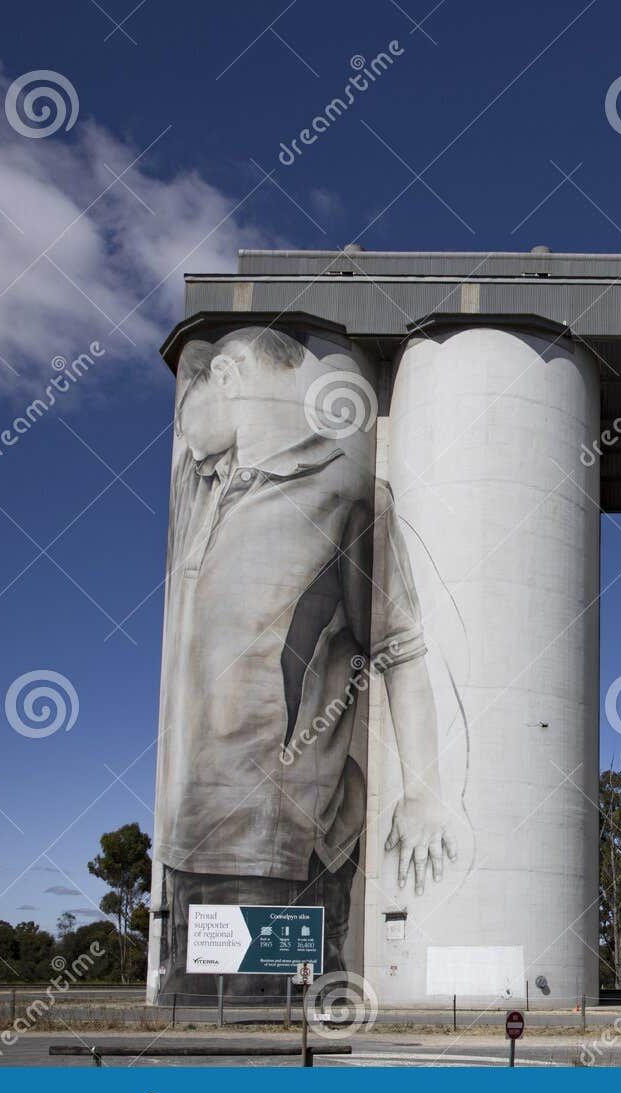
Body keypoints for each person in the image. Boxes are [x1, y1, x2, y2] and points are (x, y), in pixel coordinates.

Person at [156, 327, 451, 996]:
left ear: (226, 378)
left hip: (278, 853)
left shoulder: (343, 497)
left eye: (187, 412)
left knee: (269, 1032)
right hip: (185, 846)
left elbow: (400, 654)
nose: (186, 440)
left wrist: (423, 787)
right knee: (196, 1035)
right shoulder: (205, 486)